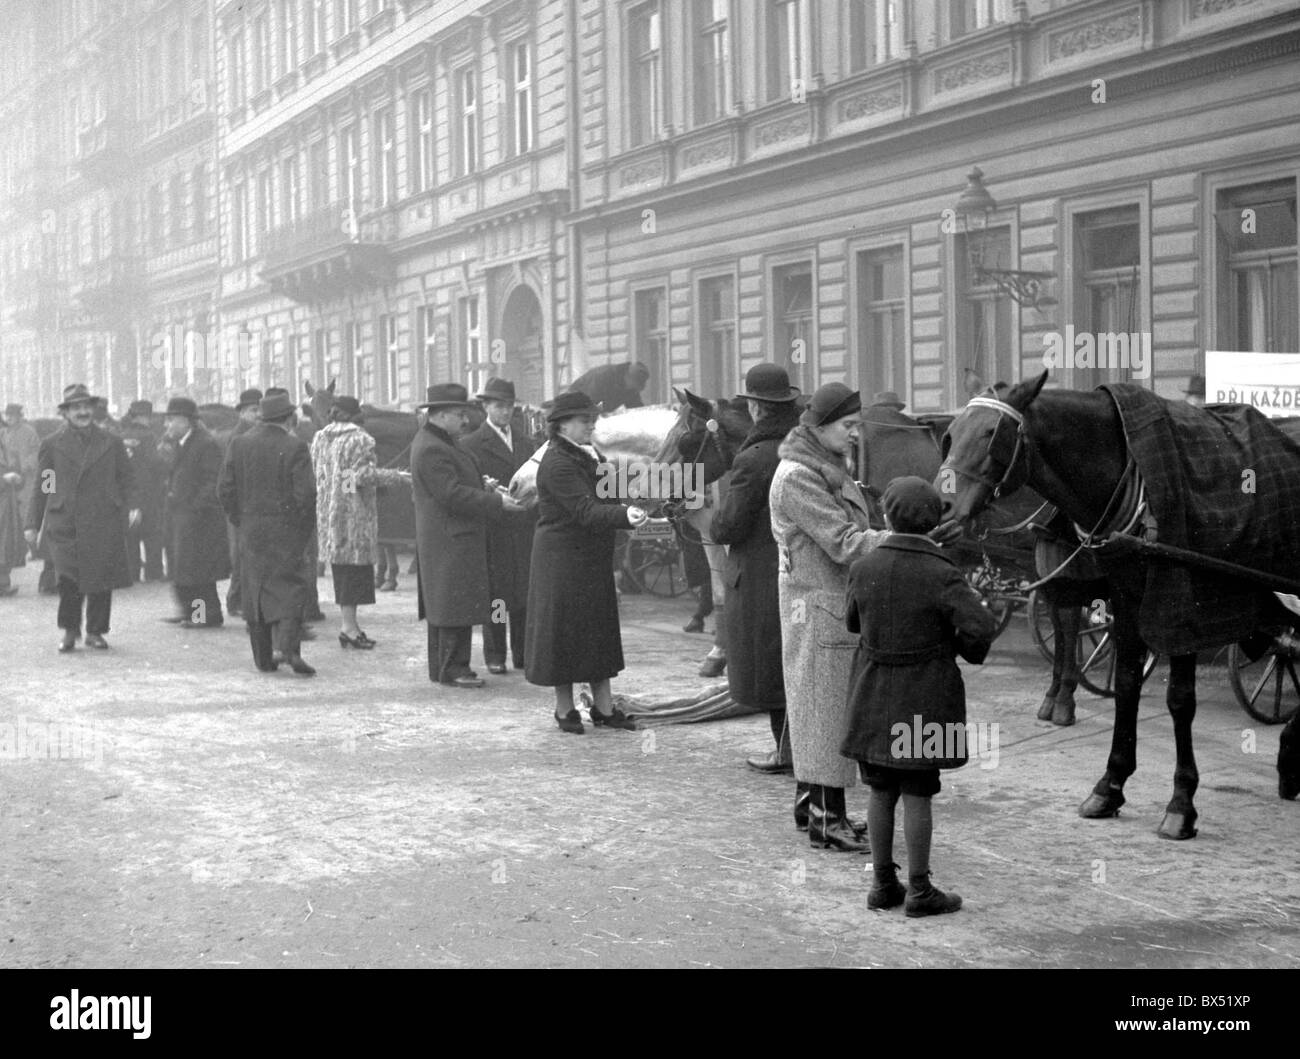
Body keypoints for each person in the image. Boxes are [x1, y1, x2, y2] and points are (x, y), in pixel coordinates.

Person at [841, 477, 998, 916]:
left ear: (887, 517)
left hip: (871, 693)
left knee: (878, 789)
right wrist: (961, 642)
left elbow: (853, 623)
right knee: (917, 790)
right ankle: (920, 890)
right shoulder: (942, 572)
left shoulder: (864, 567)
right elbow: (981, 628)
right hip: (926, 696)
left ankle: (880, 885)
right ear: (935, 520)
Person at [525, 391, 649, 733]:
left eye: (593, 420)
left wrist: (638, 499)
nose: (591, 426)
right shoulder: (557, 462)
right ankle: (564, 709)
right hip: (561, 559)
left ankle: (604, 708)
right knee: (562, 634)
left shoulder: (590, 454)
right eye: (584, 420)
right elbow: (584, 510)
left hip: (589, 556)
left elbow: (610, 494)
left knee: (598, 631)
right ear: (562, 424)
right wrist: (626, 514)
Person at [710, 364, 802, 774]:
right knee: (795, 661)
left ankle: (785, 751)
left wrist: (713, 521)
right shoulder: (804, 448)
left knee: (769, 664)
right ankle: (801, 747)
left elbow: (729, 524)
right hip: (801, 571)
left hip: (761, 576)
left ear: (757, 409)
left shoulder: (754, 458)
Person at [412, 383, 527, 688]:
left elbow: (456, 482)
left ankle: (444, 667)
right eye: (459, 414)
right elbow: (450, 494)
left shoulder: (440, 441)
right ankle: (455, 669)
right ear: (440, 415)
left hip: (451, 536)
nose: (465, 421)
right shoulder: (433, 447)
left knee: (449, 603)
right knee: (452, 604)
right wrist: (496, 501)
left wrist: (483, 484)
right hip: (451, 537)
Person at [24, 384, 139, 652]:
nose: (83, 412)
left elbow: (127, 478)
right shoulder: (52, 445)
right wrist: (33, 522)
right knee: (68, 579)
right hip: (65, 522)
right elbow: (45, 485)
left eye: (87, 407)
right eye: (76, 408)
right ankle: (70, 630)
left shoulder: (111, 441)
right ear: (66, 413)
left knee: (100, 578)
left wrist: (133, 505)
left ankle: (96, 631)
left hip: (102, 520)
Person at [218, 391, 317, 676]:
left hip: (250, 529)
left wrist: (240, 519)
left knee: (255, 590)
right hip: (286, 529)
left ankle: (263, 658)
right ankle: (286, 648)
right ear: (288, 418)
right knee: (289, 586)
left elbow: (224, 489)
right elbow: (306, 495)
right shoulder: (295, 446)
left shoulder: (239, 444)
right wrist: (302, 529)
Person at [311, 394, 409, 649]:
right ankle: (349, 629)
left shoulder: (321, 438)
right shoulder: (360, 439)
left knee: (342, 573)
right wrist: (396, 476)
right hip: (354, 516)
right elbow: (361, 476)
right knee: (354, 574)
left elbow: (329, 475)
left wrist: (341, 485)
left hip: (329, 516)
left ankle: (350, 626)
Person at [461, 378, 538, 674]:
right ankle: (495, 654)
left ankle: (522, 653)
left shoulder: (525, 442)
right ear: (485, 407)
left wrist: (534, 500)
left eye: (509, 406)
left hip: (523, 526)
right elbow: (473, 488)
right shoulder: (471, 445)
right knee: (498, 595)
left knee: (522, 592)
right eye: (498, 406)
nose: (505, 412)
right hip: (494, 528)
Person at [159, 397, 230, 628]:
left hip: (199, 520)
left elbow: (213, 481)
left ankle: (204, 615)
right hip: (181, 517)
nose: (166, 425)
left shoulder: (204, 444)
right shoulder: (183, 443)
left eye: (171, 420)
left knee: (198, 573)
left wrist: (195, 508)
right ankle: (189, 611)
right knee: (183, 568)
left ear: (186, 421)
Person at [224, 388, 263, 616]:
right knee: (240, 555)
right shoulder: (239, 436)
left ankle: (238, 599)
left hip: (246, 505)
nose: (257, 414)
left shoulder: (250, 433)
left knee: (244, 554)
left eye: (259, 409)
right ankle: (235, 600)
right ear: (242, 413)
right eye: (252, 410)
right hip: (240, 505)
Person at [121, 399, 168, 582]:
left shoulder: (122, 435)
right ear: (146, 417)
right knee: (152, 534)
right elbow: (155, 463)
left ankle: (132, 572)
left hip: (127, 492)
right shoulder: (148, 436)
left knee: (131, 535)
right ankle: (153, 572)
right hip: (148, 492)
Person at [0, 416, 30, 596]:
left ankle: (3, 583)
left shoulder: (5, 448)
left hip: (6, 504)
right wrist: (4, 479)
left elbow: (14, 470)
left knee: (6, 544)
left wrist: (18, 479)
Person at [567, 361, 651, 412]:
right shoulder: (603, 377)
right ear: (628, 376)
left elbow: (635, 408)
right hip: (574, 405)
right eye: (635, 384)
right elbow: (591, 403)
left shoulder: (631, 389)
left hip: (595, 411)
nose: (635, 388)